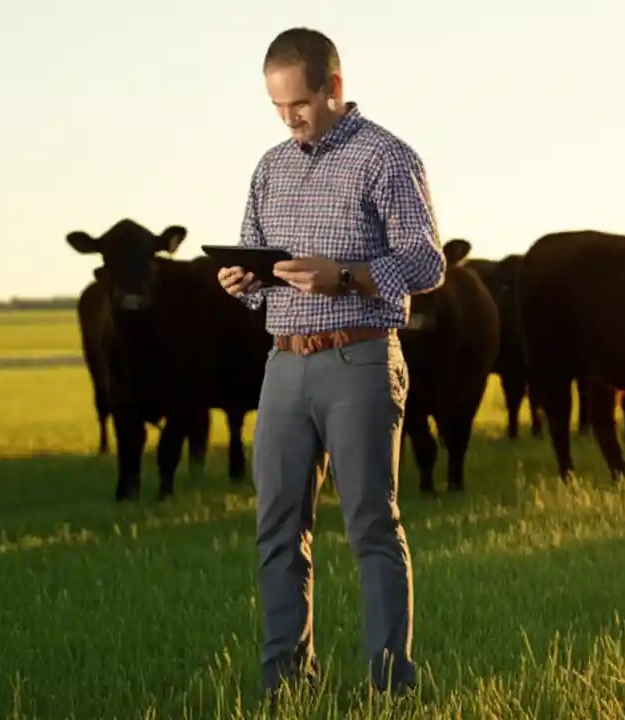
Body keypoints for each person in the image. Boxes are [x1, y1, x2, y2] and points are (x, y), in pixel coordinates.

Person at [216, 27, 446, 697]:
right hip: (283, 368)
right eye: (277, 108)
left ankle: (388, 689)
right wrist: (243, 279)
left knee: (372, 525)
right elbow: (259, 255)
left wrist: (344, 276)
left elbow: (428, 263)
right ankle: (285, 688)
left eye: (301, 105)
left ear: (333, 88)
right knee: (278, 531)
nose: (289, 120)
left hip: (360, 363)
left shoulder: (386, 157)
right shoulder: (271, 166)